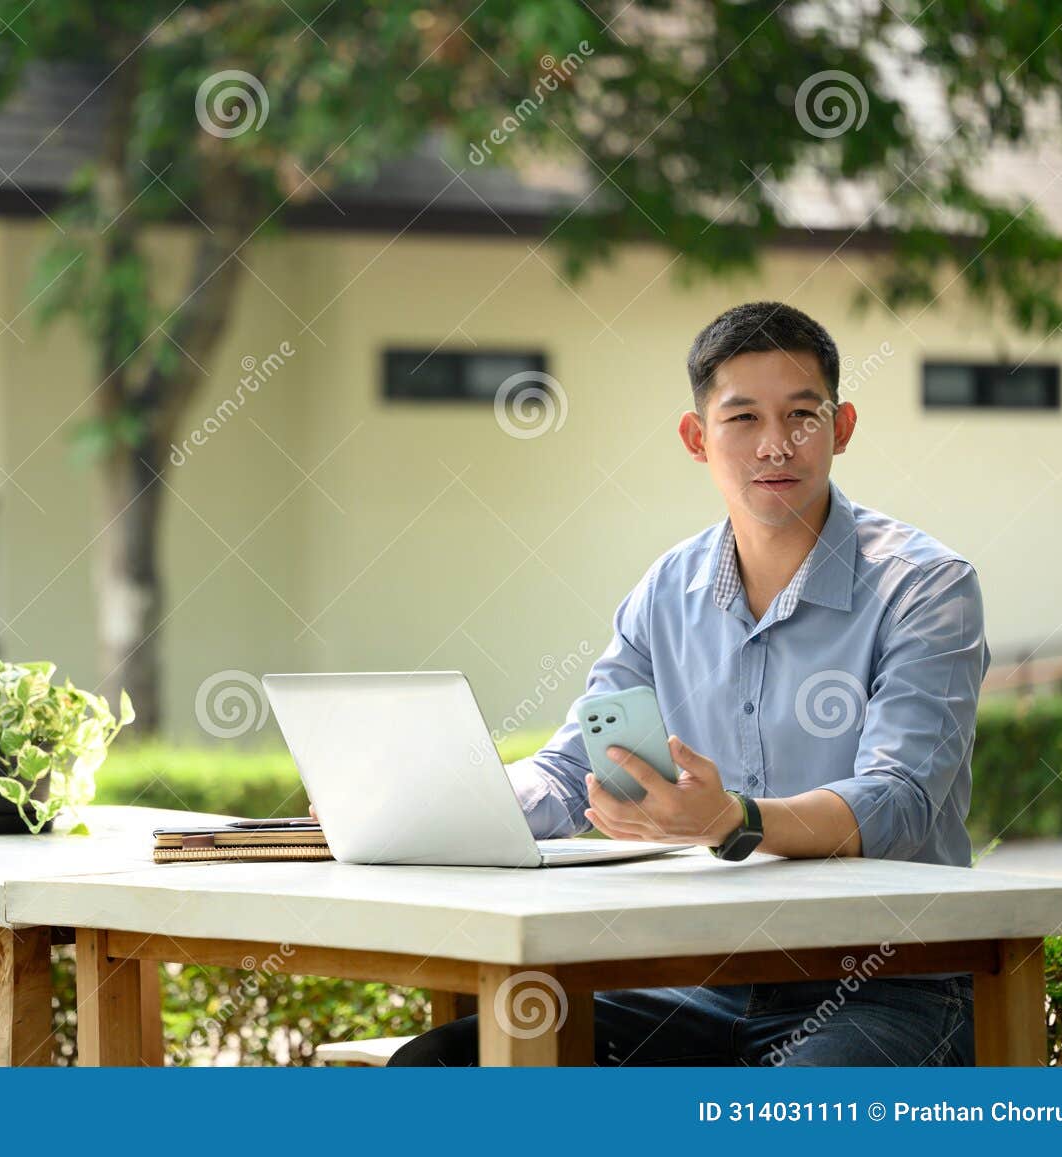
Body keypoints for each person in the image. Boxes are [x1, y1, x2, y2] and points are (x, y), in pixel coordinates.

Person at [388, 300, 989, 1066]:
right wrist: (429, 801)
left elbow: (899, 799)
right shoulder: (666, 590)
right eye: (743, 419)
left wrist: (735, 819)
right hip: (699, 977)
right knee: (438, 1066)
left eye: (803, 414)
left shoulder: (926, 586)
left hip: (888, 984)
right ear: (697, 438)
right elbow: (576, 771)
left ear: (840, 428)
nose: (777, 444)